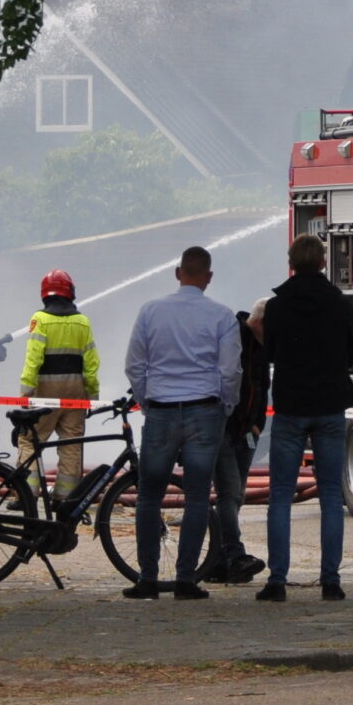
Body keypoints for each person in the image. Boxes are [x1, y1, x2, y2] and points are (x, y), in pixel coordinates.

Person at [123, 245, 241, 600]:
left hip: (160, 410)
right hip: (204, 411)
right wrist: (226, 405)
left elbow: (134, 365)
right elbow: (230, 370)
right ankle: (186, 579)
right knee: (197, 498)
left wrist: (147, 399)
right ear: (208, 277)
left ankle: (147, 578)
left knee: (148, 496)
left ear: (178, 273)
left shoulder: (150, 312)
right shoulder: (222, 317)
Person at [257, 234, 353, 603]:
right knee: (331, 495)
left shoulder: (277, 307)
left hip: (291, 407)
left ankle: (277, 581)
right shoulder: (339, 303)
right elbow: (350, 354)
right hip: (330, 405)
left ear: (291, 263)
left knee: (281, 495)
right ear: (322, 263)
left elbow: (269, 354)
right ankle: (330, 581)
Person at [204, 299, 271, 585]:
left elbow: (262, 386)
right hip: (222, 428)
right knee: (230, 493)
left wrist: (257, 424)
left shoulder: (262, 346)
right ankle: (234, 553)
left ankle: (218, 562)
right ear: (259, 323)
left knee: (237, 495)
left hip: (246, 430)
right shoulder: (231, 337)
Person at [17, 269, 99, 494]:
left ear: (45, 293)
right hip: (75, 393)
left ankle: (27, 494)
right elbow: (91, 364)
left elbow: (33, 358)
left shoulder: (40, 320)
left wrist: (26, 390)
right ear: (70, 292)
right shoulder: (83, 322)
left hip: (45, 392)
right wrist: (92, 396)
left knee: (29, 441)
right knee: (71, 444)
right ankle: (66, 497)